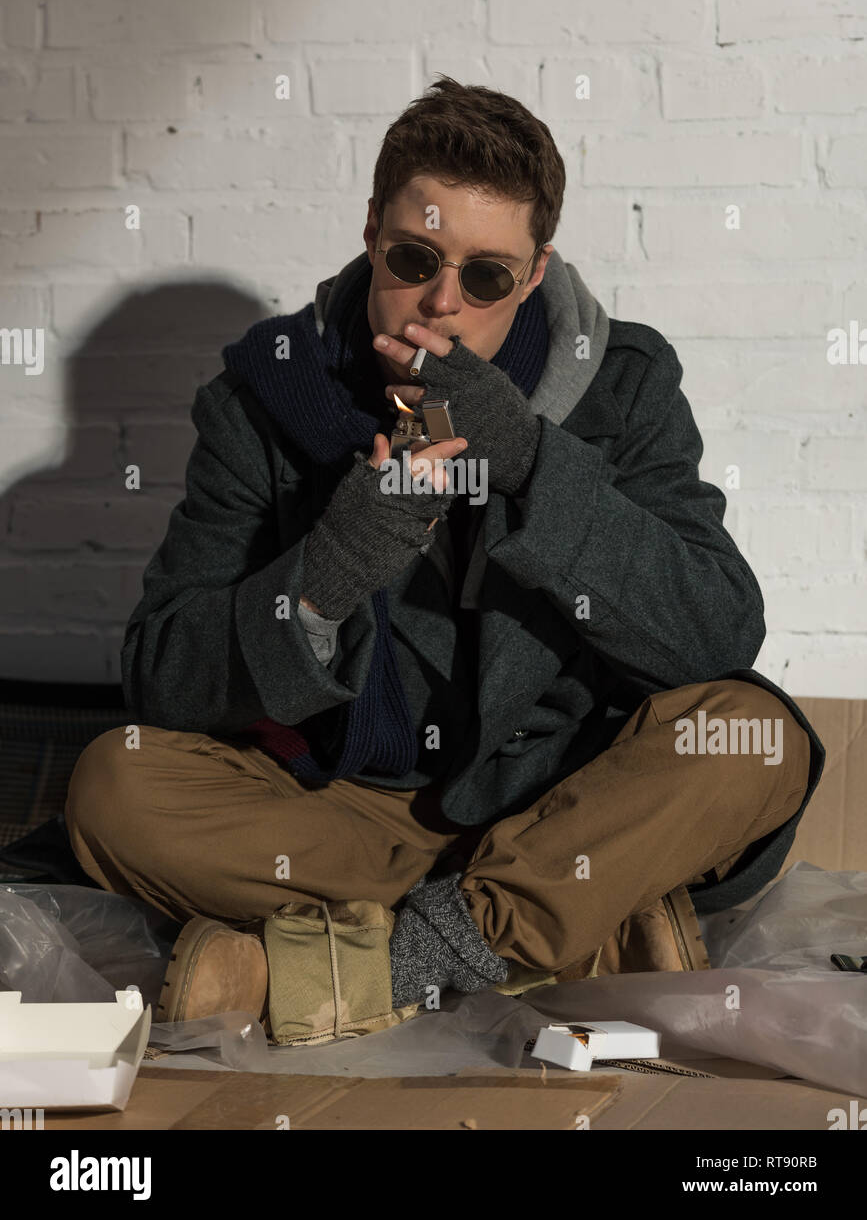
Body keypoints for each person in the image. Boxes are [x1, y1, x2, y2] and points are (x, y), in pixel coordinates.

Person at [65, 76, 824, 1039]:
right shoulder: (262, 398)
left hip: (568, 800)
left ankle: (366, 959)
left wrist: (535, 466)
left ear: (536, 274)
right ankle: (561, 936)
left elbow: (715, 632)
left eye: (486, 277)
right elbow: (163, 679)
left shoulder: (622, 389)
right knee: (115, 783)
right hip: (351, 814)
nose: (441, 302)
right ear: (372, 235)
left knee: (754, 736)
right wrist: (329, 571)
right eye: (414, 257)